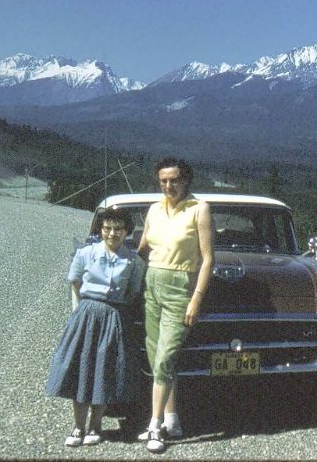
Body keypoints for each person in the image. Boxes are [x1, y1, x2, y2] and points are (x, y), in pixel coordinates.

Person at [46, 208, 145, 447]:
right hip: (86, 316)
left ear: (126, 232)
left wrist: (117, 311)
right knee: (82, 370)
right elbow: (76, 284)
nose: (112, 233)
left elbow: (133, 291)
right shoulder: (85, 253)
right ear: (100, 230)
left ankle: (95, 426)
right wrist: (78, 314)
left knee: (104, 371)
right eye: (107, 228)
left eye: (118, 229)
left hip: (114, 317)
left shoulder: (133, 261)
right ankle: (78, 427)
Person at [137, 158, 213, 453]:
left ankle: (154, 427)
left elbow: (208, 259)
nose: (169, 185)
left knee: (166, 357)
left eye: (174, 180)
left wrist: (196, 298)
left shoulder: (199, 209)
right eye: (164, 181)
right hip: (152, 286)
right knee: (157, 357)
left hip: (181, 288)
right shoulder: (155, 209)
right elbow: (143, 248)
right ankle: (171, 418)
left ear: (187, 181)